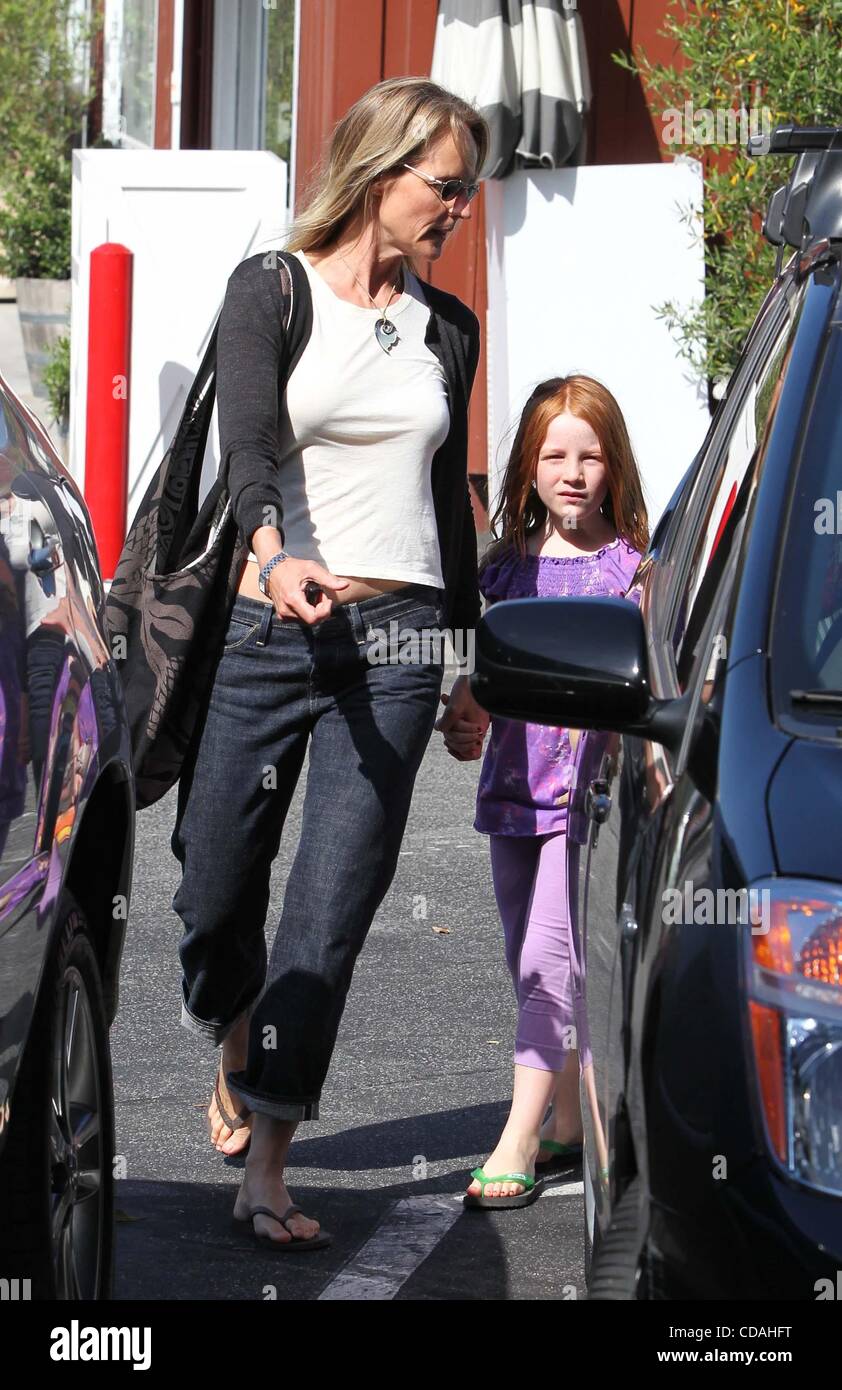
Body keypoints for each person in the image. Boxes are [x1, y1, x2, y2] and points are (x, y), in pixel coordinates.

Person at [169, 77, 490, 1249]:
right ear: (378, 171)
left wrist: (466, 662)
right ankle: (235, 1030)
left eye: (466, 191)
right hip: (272, 626)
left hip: (396, 646)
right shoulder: (270, 291)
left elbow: (448, 512)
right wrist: (271, 549)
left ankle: (265, 1157)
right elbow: (245, 440)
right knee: (212, 888)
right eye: (442, 186)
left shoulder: (446, 329)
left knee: (330, 908)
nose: (456, 209)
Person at [436, 375, 649, 1208]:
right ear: (526, 467)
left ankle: (519, 1137)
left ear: (613, 467)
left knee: (547, 963)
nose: (572, 471)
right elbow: (489, 675)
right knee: (525, 951)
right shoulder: (504, 573)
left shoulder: (632, 571)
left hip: (587, 804)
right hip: (513, 793)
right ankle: (571, 1114)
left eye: (590, 455)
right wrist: (468, 713)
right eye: (553, 454)